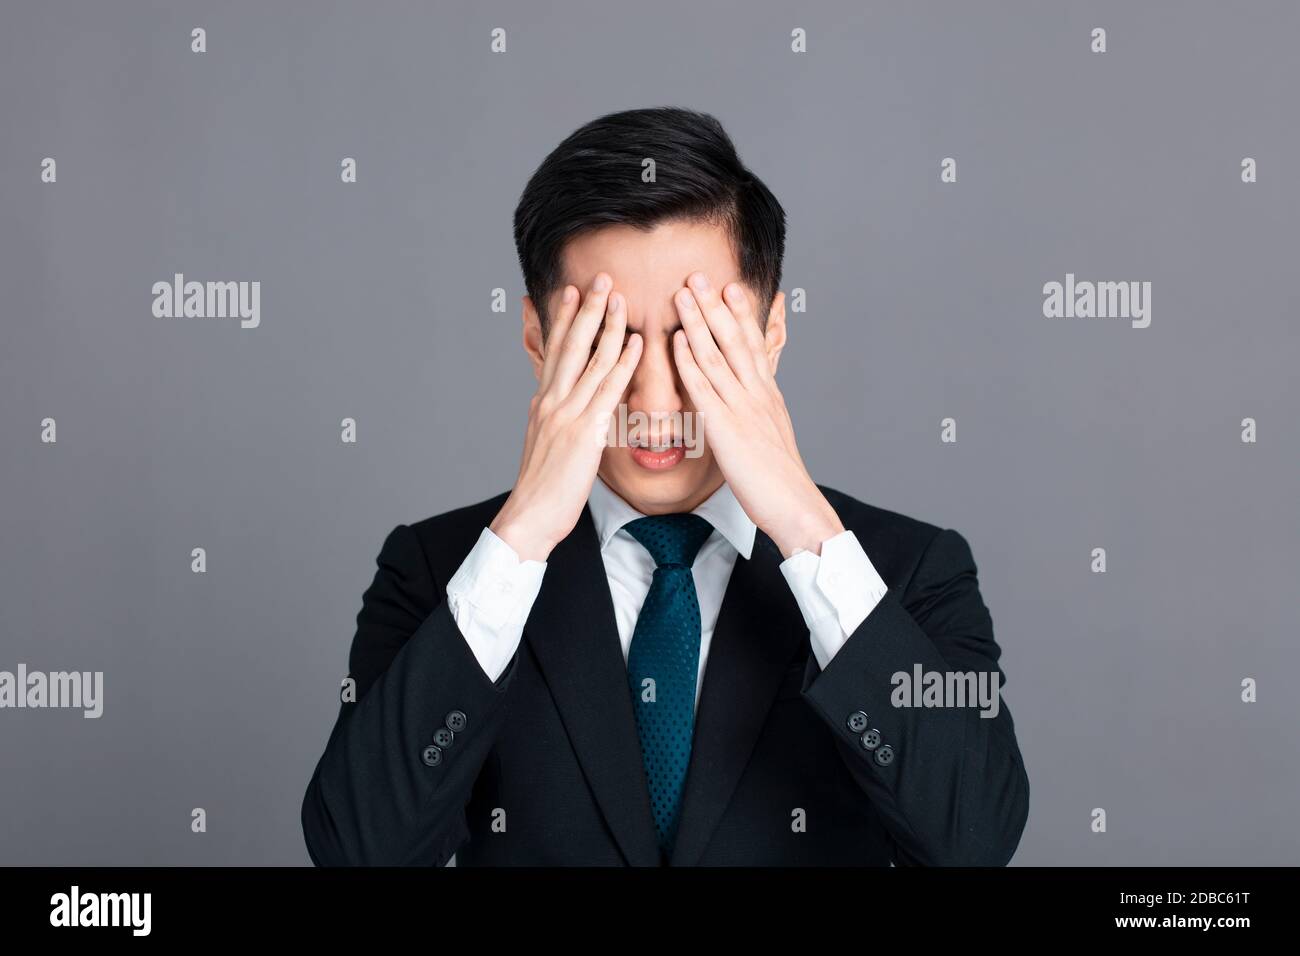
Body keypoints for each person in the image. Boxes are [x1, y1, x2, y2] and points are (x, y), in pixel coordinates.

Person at [301, 107, 1029, 866]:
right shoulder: (437, 571)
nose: (654, 404)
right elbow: (358, 851)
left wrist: (806, 532)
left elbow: (975, 836)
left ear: (772, 333)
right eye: (607, 343)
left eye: (700, 341)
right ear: (538, 341)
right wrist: (517, 546)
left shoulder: (909, 571)